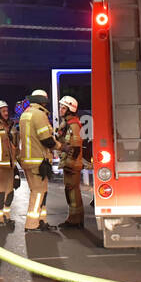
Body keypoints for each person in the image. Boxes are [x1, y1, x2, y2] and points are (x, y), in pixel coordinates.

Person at [18, 89, 57, 231]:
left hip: (28, 160)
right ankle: (32, 224)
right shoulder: (39, 115)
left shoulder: (25, 114)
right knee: (39, 192)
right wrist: (60, 146)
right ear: (43, 101)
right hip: (38, 161)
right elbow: (46, 139)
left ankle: (42, 220)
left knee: (41, 190)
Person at [57, 95, 85, 227]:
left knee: (73, 193)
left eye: (63, 108)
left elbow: (75, 147)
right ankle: (73, 218)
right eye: (61, 107)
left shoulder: (73, 125)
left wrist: (69, 163)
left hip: (72, 165)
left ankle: (75, 220)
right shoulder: (67, 124)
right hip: (69, 164)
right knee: (70, 191)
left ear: (70, 109)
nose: (61, 110)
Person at [0, 100, 19, 229]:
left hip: (11, 166)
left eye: (7, 110)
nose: (6, 113)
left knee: (10, 191)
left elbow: (16, 147)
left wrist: (17, 164)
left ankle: (7, 216)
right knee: (0, 192)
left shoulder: (12, 128)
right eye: (3, 111)